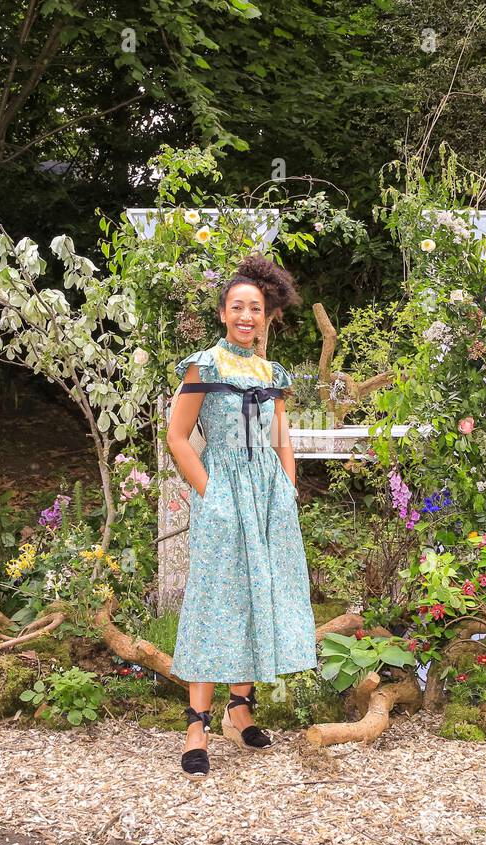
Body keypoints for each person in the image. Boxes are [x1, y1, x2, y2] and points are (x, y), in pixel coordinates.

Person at [165, 255, 317, 777]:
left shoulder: (272, 373)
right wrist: (210, 494)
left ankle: (240, 711)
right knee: (215, 600)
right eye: (237, 307)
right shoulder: (203, 366)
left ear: (268, 314)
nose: (246, 315)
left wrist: (288, 487)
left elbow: (280, 436)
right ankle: (196, 726)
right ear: (223, 313)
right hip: (224, 490)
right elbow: (177, 437)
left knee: (258, 595)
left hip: (268, 495)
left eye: (255, 307)